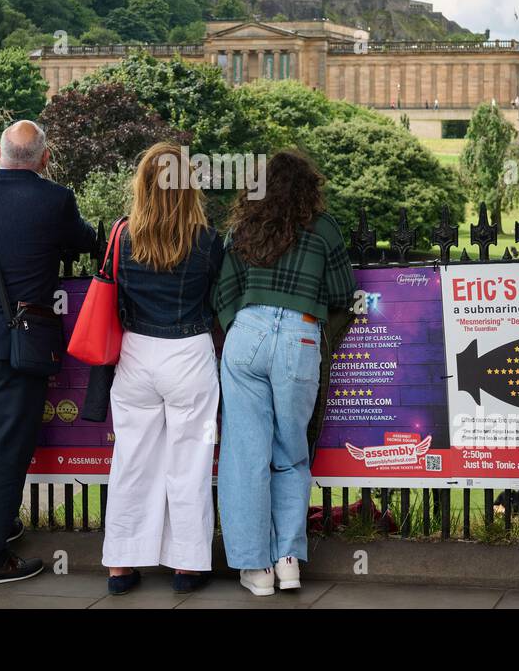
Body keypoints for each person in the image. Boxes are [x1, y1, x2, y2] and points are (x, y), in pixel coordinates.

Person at [0, 120, 96, 588]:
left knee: (0, 439)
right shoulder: (54, 199)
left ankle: (0, 523)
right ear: (44, 159)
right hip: (16, 345)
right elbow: (87, 242)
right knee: (7, 451)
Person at [214, 150, 357, 597]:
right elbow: (343, 294)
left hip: (247, 331)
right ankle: (289, 561)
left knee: (245, 454)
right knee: (291, 451)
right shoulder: (325, 229)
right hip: (301, 335)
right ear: (308, 187)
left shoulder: (243, 229)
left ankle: (256, 569)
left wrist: (246, 322)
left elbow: (225, 292)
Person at [102, 142, 222, 596]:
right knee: (189, 461)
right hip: (189, 353)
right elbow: (215, 302)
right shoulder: (208, 241)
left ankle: (121, 565)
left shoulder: (122, 235)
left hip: (136, 354)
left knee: (132, 459)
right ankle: (187, 566)